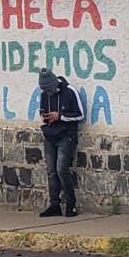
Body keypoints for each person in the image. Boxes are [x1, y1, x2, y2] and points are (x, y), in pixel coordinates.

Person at [38, 68, 83, 218]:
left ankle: (71, 205)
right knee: (51, 171)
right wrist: (45, 116)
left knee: (61, 169)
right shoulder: (44, 95)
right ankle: (54, 204)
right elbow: (43, 110)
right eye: (45, 90)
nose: (48, 93)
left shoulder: (69, 92)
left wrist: (60, 116)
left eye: (50, 89)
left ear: (55, 84)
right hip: (50, 135)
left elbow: (79, 115)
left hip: (66, 135)